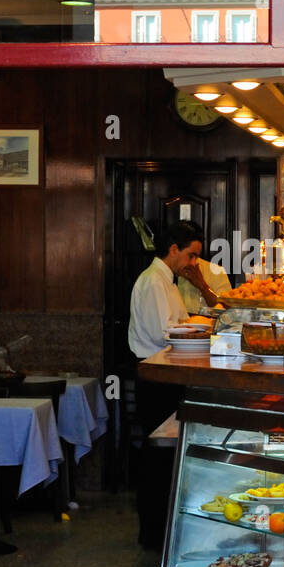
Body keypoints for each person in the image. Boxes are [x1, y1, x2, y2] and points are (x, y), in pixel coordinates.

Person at [128, 220, 208, 550]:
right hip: (157, 378)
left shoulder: (167, 280)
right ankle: (153, 536)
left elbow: (176, 324)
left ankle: (163, 531)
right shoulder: (152, 282)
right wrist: (202, 329)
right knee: (158, 462)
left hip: (169, 376)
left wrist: (197, 323)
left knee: (166, 463)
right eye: (191, 256)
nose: (193, 264)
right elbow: (166, 332)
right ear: (174, 250)